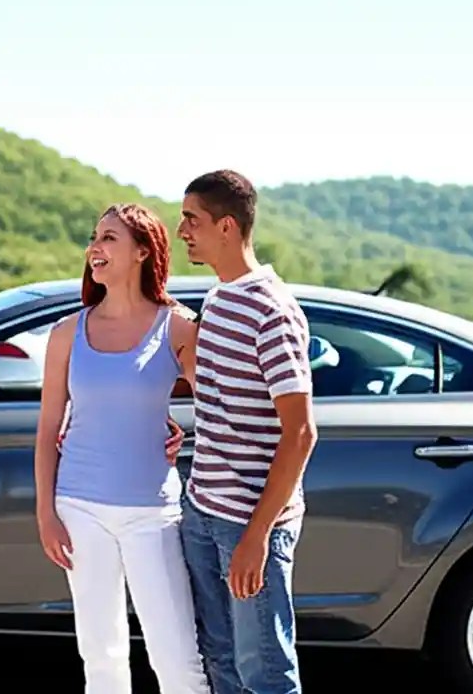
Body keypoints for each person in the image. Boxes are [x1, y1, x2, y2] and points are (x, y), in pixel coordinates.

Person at [35, 203, 210, 694]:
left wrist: (183, 434)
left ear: (142, 252)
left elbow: (220, 409)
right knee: (101, 654)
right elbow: (49, 427)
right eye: (95, 237)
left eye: (109, 238)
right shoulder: (67, 333)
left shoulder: (177, 327)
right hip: (78, 507)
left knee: (176, 656)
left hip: (151, 513)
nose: (95, 248)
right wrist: (45, 512)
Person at [173, 169, 318, 694]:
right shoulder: (218, 301)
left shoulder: (272, 311)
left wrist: (257, 536)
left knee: (266, 672)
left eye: (192, 219)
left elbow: (301, 433)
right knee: (221, 659)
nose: (182, 229)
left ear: (227, 226)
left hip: (249, 525)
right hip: (203, 510)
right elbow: (215, 394)